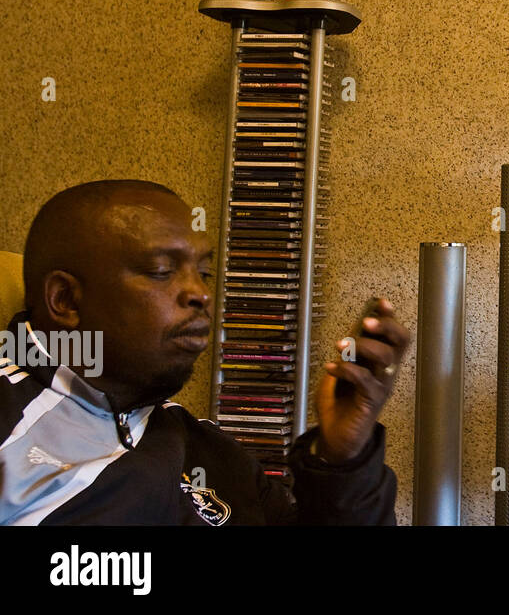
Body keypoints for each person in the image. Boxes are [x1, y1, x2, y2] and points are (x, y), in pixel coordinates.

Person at [0, 180, 408, 525]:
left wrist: (343, 461)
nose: (200, 293)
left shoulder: (210, 453)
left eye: (205, 273)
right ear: (65, 299)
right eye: (161, 271)